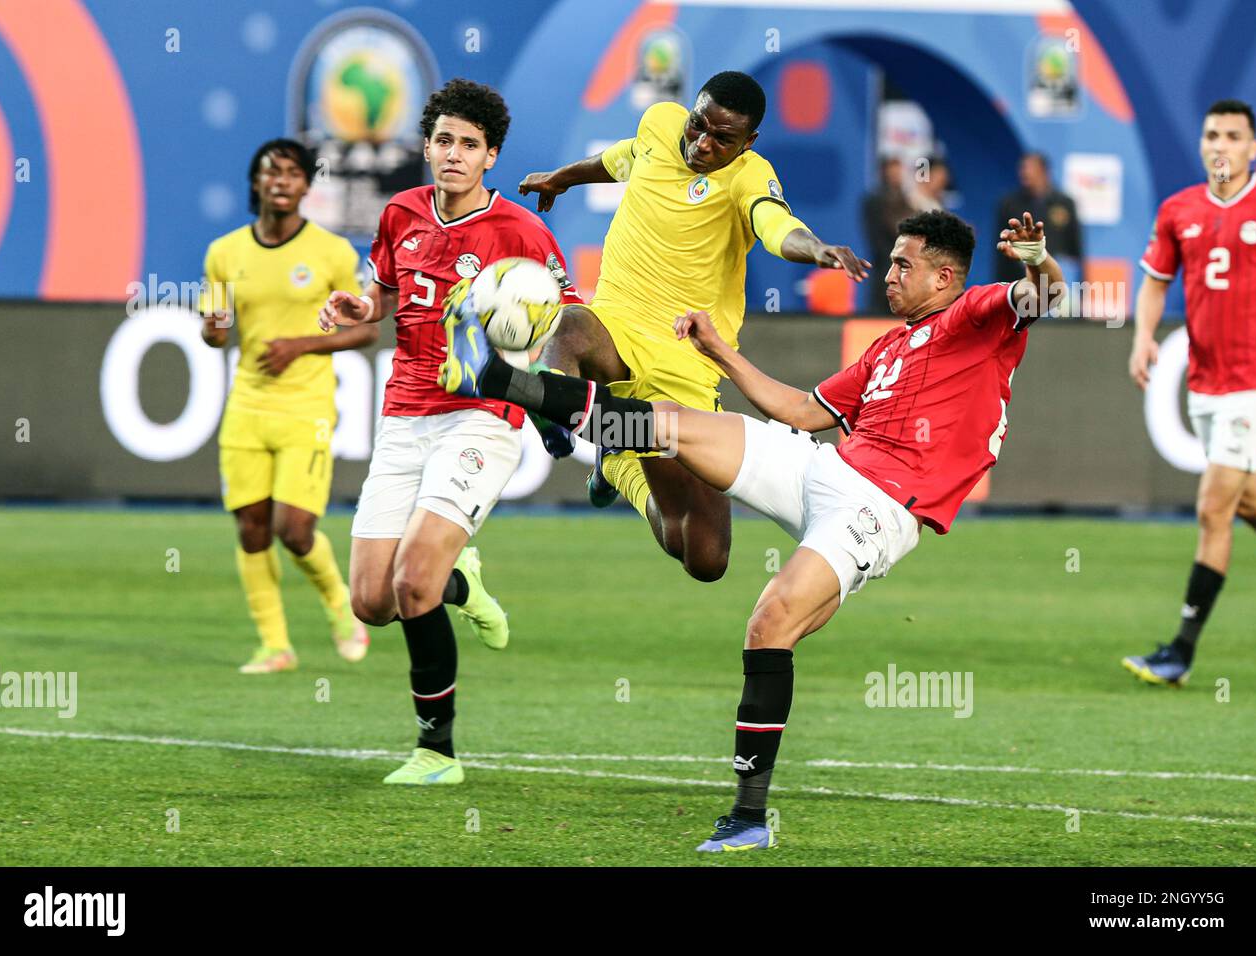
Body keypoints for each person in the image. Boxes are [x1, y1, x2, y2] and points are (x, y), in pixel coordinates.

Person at [439, 209, 1064, 850]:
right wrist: (719, 352)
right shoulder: (887, 347)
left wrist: (1038, 259)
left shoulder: (975, 318)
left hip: (879, 508)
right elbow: (800, 410)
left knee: (770, 621)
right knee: (667, 423)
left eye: (905, 264)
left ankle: (748, 816)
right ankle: (498, 380)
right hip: (821, 469)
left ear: (946, 277)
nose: (892, 273)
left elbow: (1045, 294)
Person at [318, 79, 583, 784]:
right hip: (405, 416)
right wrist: (355, 305)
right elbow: (378, 299)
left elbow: (571, 319)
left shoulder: (521, 234)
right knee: (371, 601)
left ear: (491, 155)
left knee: (411, 581)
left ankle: (436, 754)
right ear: (427, 146)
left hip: (481, 415)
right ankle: (459, 581)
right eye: (444, 140)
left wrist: (551, 400)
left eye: (470, 144)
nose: (454, 154)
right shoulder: (401, 212)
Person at [517, 71, 869, 582]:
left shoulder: (750, 175)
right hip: (617, 325)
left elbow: (775, 224)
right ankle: (559, 420)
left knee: (702, 555)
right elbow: (618, 159)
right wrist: (561, 178)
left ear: (747, 143)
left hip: (686, 360)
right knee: (569, 329)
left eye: (721, 139)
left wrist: (815, 249)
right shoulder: (661, 123)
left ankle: (617, 459)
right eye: (697, 125)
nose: (701, 143)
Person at [200, 138, 375, 674]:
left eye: (292, 173)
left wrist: (301, 344)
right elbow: (214, 333)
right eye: (270, 172)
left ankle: (341, 609)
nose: (280, 181)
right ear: (256, 182)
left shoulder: (332, 253)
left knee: (294, 530)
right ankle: (275, 645)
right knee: (251, 527)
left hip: (307, 406)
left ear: (305, 184)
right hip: (247, 405)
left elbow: (365, 328)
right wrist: (213, 329)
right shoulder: (225, 253)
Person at [1123, 99, 1256, 687]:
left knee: (1214, 508)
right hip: (1205, 384)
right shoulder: (1178, 210)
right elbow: (1155, 284)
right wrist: (1142, 338)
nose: (1221, 145)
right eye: (1212, 134)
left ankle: (1180, 651)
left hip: (1254, 384)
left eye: (1233, 137)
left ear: (1252, 148)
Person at [994, 152, 1082, 287]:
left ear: (1043, 172)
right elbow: (1001, 250)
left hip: (1057, 280)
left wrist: (1081, 285)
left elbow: (1075, 247)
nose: (1024, 172)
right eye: (1022, 168)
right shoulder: (1009, 204)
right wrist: (1000, 285)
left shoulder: (1064, 203)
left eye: (1029, 168)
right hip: (1019, 281)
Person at [862, 156, 916, 313]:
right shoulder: (874, 202)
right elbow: (887, 231)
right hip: (883, 266)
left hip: (906, 270)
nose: (896, 174)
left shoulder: (907, 200)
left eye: (898, 170)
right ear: (883, 172)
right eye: (892, 170)